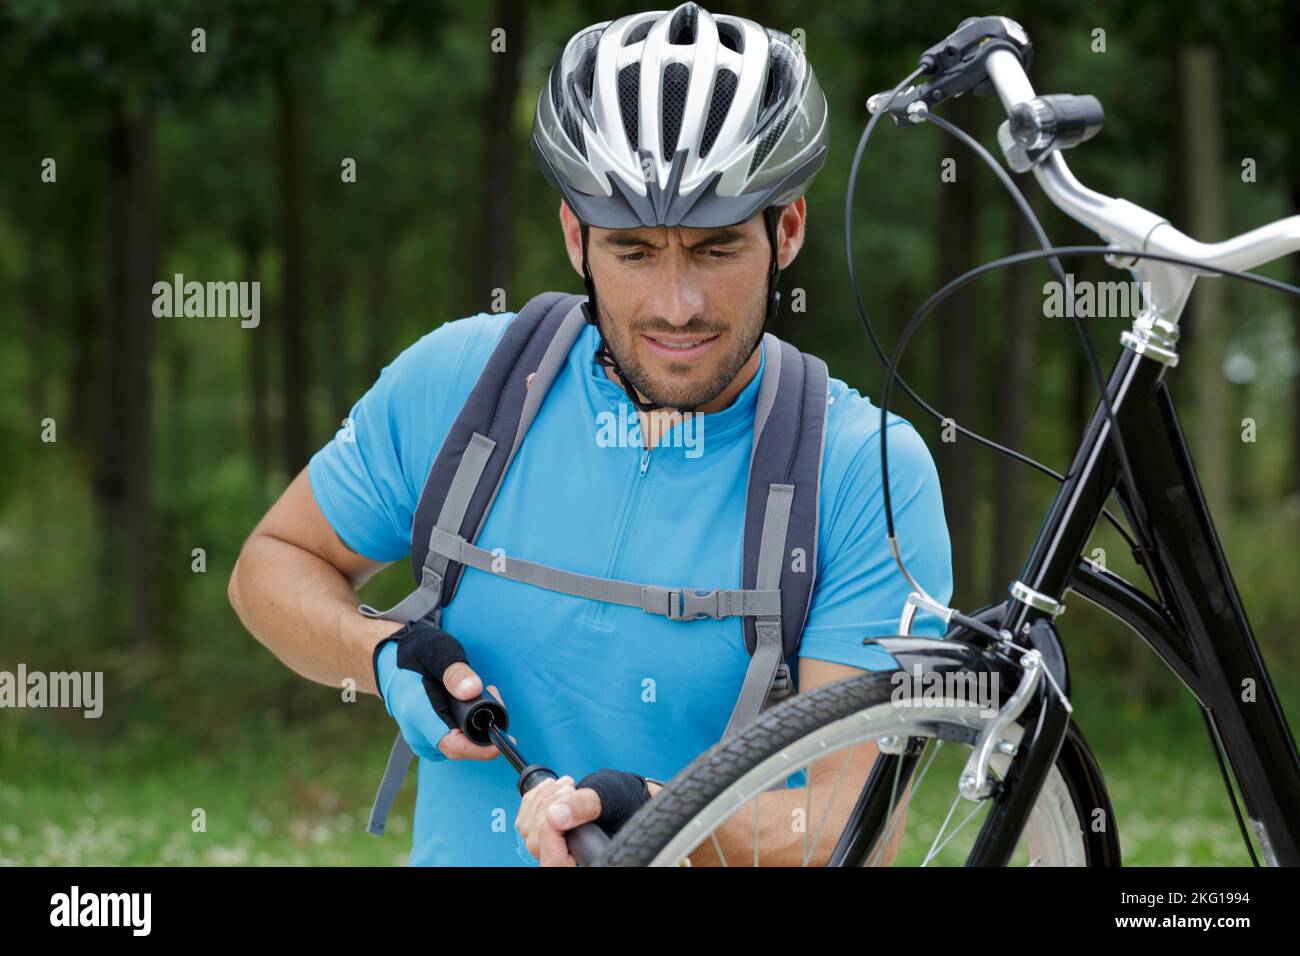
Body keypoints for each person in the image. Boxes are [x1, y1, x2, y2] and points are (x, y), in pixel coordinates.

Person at [227, 2, 953, 867]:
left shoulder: (865, 471)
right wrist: (381, 655)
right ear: (575, 236)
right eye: (633, 251)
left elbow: (855, 825)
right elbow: (270, 565)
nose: (675, 306)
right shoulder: (464, 383)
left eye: (717, 250)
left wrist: (665, 819)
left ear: (785, 230)